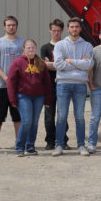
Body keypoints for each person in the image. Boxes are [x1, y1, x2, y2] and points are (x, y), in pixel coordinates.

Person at [53, 18, 94, 156]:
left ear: (80, 29)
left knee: (79, 117)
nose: (74, 29)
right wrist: (79, 64)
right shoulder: (60, 45)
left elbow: (89, 65)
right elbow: (58, 64)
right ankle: (59, 145)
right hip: (63, 84)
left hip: (80, 85)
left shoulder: (87, 45)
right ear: (68, 29)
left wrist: (70, 61)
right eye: (72, 27)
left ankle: (81, 145)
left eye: (77, 27)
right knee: (61, 116)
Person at [7, 39, 53, 156]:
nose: (31, 50)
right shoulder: (18, 62)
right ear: (23, 49)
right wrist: (12, 98)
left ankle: (30, 146)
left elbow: (47, 82)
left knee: (34, 122)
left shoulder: (40, 63)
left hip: (39, 97)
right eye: (28, 48)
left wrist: (48, 98)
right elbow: (11, 82)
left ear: (35, 48)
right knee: (26, 121)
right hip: (24, 96)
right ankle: (19, 147)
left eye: (33, 47)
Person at [0, 15, 24, 150]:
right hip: (1, 86)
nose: (11, 27)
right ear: (4, 27)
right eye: (8, 25)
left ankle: (18, 141)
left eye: (13, 25)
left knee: (17, 114)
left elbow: (26, 63)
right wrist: (5, 77)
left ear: (16, 26)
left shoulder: (22, 43)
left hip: (18, 86)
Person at [40, 19, 66, 152]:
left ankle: (63, 139)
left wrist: (54, 64)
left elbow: (65, 65)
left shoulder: (66, 46)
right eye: (54, 30)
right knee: (49, 116)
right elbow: (45, 66)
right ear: (50, 30)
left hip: (64, 84)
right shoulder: (45, 48)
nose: (56, 33)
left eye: (58, 30)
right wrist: (60, 64)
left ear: (62, 31)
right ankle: (50, 141)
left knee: (63, 114)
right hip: (49, 86)